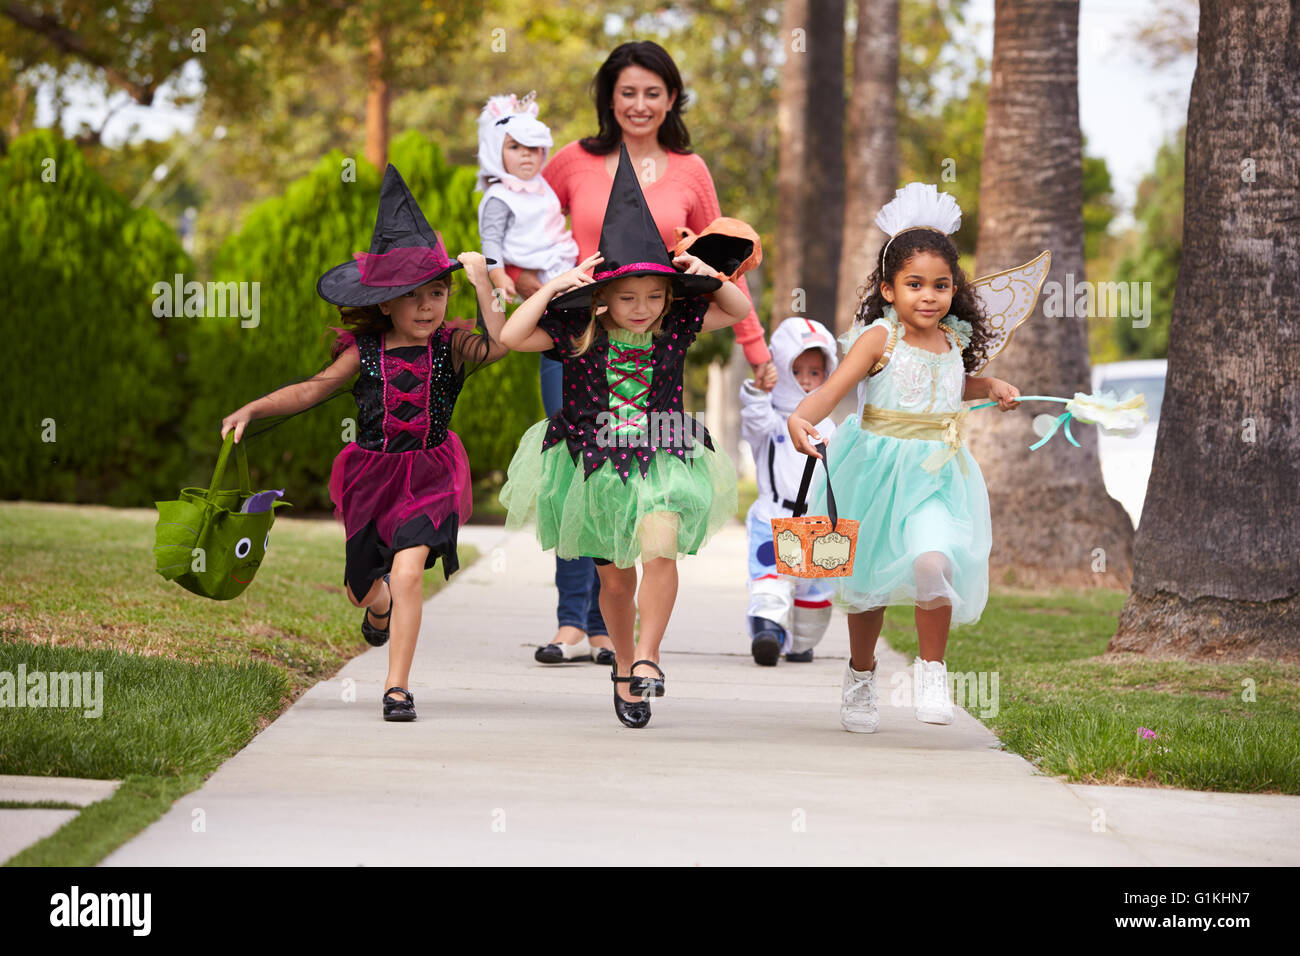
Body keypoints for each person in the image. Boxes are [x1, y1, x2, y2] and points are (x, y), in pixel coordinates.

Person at [516, 40, 777, 664]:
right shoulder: (573, 162)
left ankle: (614, 634)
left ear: (671, 99)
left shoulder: (689, 170)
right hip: (580, 335)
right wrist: (538, 289)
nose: (638, 104)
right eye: (627, 91)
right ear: (610, 96)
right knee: (579, 470)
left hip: (657, 336)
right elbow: (525, 227)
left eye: (652, 92)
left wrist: (758, 348)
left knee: (640, 482)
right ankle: (572, 623)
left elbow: (720, 264)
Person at [221, 165, 506, 722]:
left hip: (431, 475)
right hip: (372, 478)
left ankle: (397, 687)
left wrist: (480, 281)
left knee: (407, 574)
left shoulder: (452, 347)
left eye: (438, 293)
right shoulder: (365, 351)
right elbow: (311, 390)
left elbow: (499, 346)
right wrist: (253, 409)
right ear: (384, 302)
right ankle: (375, 611)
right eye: (413, 296)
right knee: (364, 587)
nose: (428, 307)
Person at [498, 145, 752, 729]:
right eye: (629, 297)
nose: (642, 309)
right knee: (614, 577)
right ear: (603, 296)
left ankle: (649, 656)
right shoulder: (577, 330)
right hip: (594, 462)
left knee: (661, 546)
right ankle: (620, 667)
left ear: (669, 297)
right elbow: (512, 336)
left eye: (654, 296)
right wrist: (556, 285)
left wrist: (705, 272)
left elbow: (735, 310)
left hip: (661, 454)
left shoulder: (677, 325)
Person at [787, 183, 1022, 733]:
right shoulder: (879, 338)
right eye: (914, 284)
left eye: (941, 285)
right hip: (875, 469)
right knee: (867, 585)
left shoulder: (954, 339)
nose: (929, 296)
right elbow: (834, 390)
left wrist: (992, 385)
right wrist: (802, 417)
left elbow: (951, 386)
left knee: (932, 559)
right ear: (889, 290)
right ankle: (862, 674)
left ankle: (933, 671)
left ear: (954, 290)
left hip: (937, 471)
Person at [740, 317, 839, 666]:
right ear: (781, 369)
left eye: (815, 372)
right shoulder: (771, 418)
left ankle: (801, 642)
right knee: (769, 581)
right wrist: (757, 391)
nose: (806, 381)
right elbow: (753, 420)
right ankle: (768, 633)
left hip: (816, 519)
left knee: (812, 591)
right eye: (797, 371)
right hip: (774, 513)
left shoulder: (830, 425)